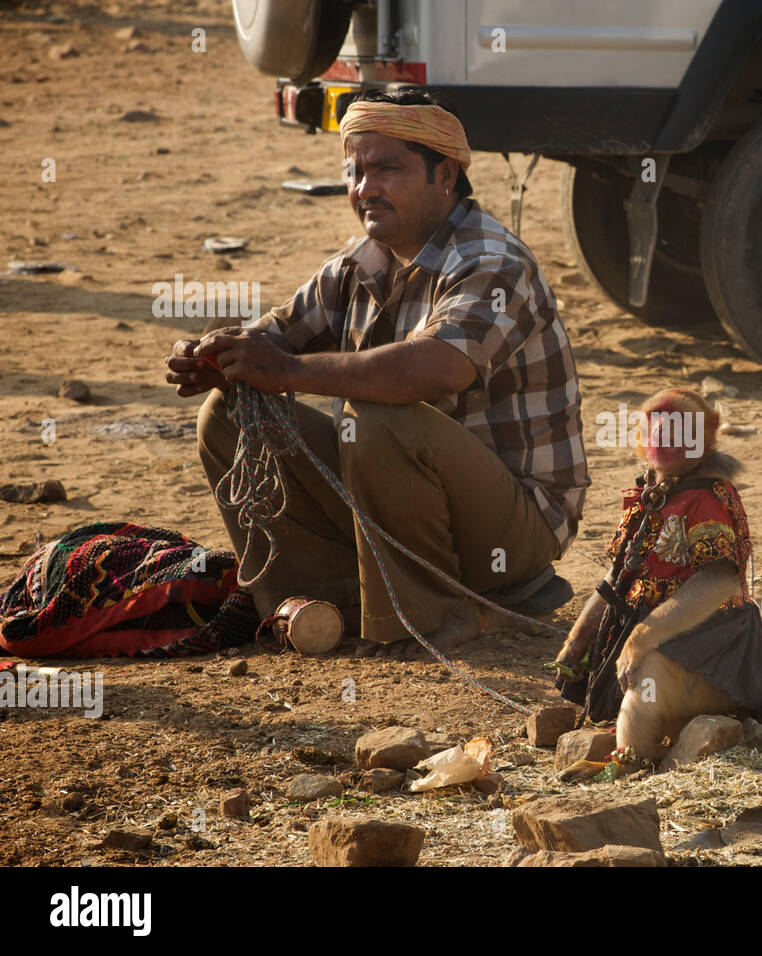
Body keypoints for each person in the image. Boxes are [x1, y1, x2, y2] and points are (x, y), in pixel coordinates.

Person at [164, 88, 588, 658]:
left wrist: (284, 369)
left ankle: (430, 614)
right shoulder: (361, 260)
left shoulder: (492, 261)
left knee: (377, 414)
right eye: (356, 171)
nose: (365, 189)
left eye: (387, 169)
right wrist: (221, 359)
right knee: (228, 413)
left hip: (513, 530)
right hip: (404, 508)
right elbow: (273, 337)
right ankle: (317, 603)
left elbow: (432, 370)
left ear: (446, 175)